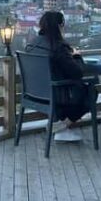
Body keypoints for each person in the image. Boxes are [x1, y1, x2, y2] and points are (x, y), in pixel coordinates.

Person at [25, 10, 93, 142]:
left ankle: (60, 127)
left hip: (34, 94)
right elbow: (77, 73)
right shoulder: (58, 47)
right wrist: (77, 56)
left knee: (71, 90)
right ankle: (61, 126)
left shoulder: (32, 44)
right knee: (91, 92)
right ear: (59, 26)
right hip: (57, 94)